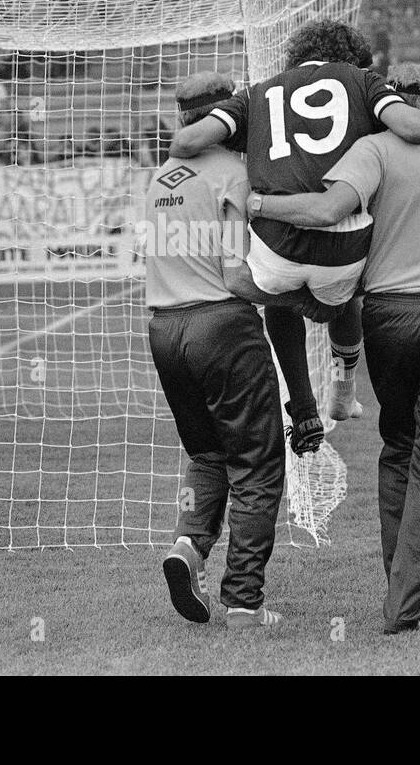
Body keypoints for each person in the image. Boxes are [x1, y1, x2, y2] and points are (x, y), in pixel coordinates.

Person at [246, 63, 420, 634]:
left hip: (390, 318)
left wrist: (260, 206)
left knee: (400, 447)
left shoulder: (373, 151)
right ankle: (405, 599)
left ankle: (405, 589)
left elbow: (328, 212)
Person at [168, 21, 420, 453]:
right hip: (345, 254)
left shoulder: (259, 91)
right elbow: (412, 127)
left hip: (274, 250)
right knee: (349, 284)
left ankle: (302, 408)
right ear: (353, 57)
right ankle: (343, 388)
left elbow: (186, 142)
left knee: (278, 290)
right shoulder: (361, 80)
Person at [148, 71, 335, 632]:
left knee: (207, 457)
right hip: (221, 328)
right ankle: (244, 604)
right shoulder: (233, 174)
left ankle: (188, 546)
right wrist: (298, 296)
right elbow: (235, 275)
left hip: (164, 331)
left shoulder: (162, 177)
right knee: (256, 468)